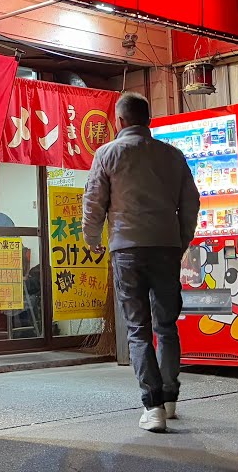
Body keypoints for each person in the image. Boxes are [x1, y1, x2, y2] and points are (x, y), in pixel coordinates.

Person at [82, 92, 199, 432]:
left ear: (119, 121)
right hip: (165, 248)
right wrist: (180, 241)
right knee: (167, 326)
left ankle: (154, 407)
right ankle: (171, 398)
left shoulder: (107, 154)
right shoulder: (173, 156)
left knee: (138, 330)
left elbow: (93, 203)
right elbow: (190, 203)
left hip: (127, 250)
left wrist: (92, 241)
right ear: (147, 120)